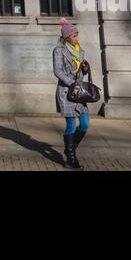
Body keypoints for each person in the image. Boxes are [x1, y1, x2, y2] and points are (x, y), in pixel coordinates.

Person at [53, 18, 91, 169]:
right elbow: (58, 71)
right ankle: (70, 158)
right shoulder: (59, 50)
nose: (77, 38)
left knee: (85, 123)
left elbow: (79, 71)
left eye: (77, 35)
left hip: (79, 93)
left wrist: (84, 70)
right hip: (66, 92)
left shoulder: (79, 51)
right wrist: (71, 82)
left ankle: (70, 149)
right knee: (71, 125)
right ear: (68, 37)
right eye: (74, 36)